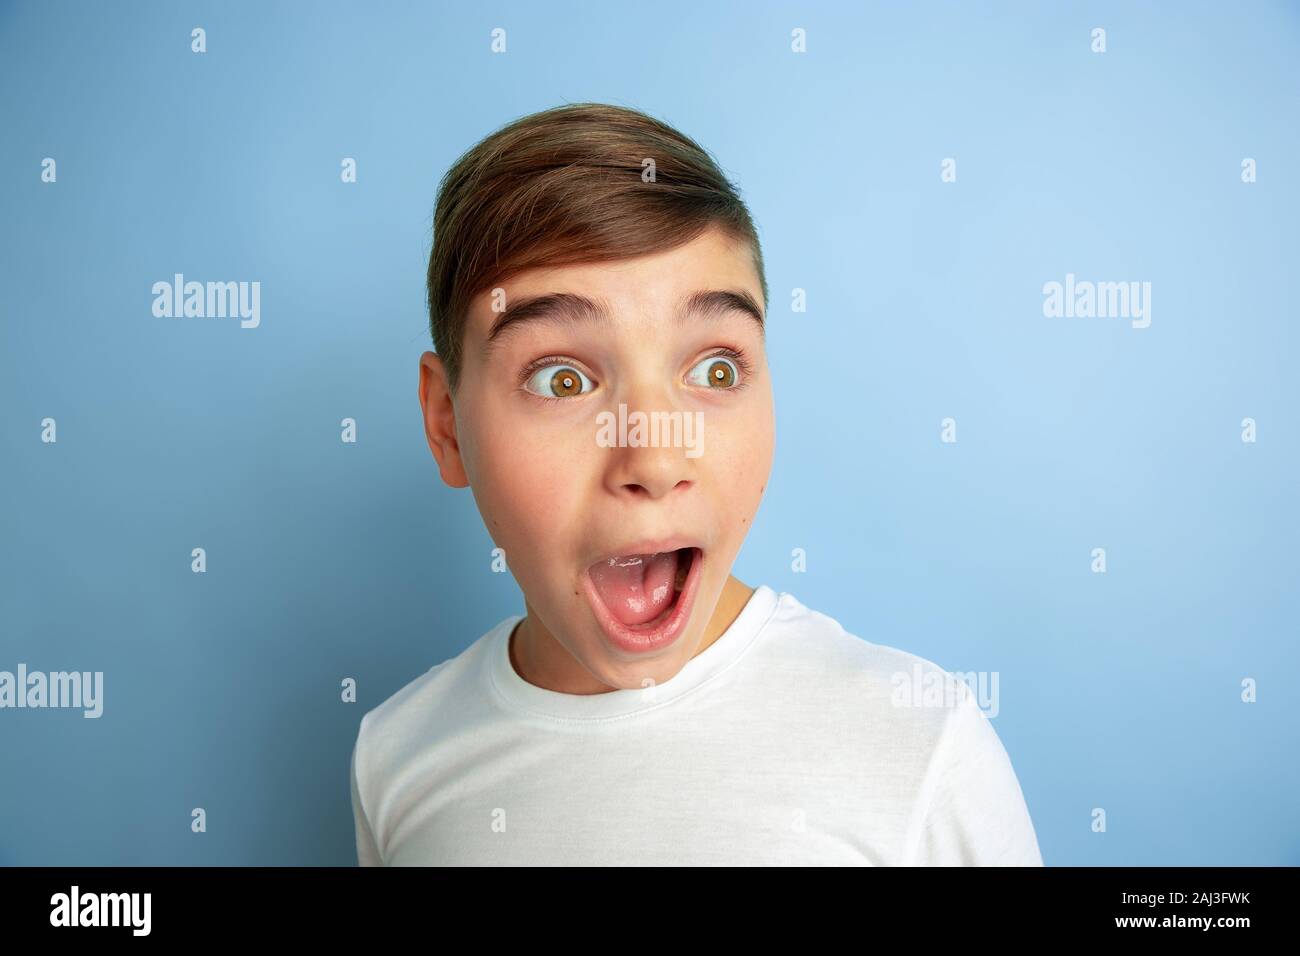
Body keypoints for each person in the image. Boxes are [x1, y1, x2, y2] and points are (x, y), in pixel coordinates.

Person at [350, 102, 1043, 866]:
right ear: (447, 423)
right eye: (562, 378)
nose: (653, 457)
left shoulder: (920, 744)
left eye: (716, 369)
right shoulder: (396, 757)